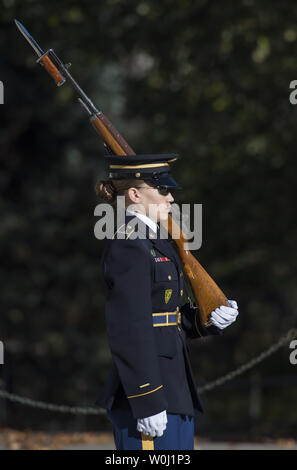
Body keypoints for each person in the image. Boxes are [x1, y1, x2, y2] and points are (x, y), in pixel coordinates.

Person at [94, 154, 239, 450]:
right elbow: (129, 326)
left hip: (174, 388)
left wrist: (206, 319)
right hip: (150, 394)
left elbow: (164, 315)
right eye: (162, 190)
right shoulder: (129, 243)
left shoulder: (155, 240)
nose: (171, 198)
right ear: (134, 194)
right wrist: (146, 398)